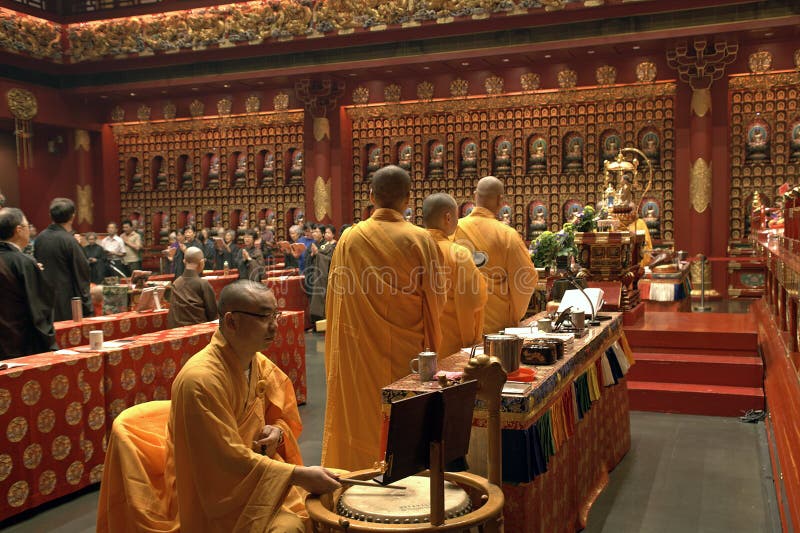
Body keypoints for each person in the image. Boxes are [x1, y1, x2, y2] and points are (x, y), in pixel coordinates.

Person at [97, 281, 340, 532]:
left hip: (259, 478)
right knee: (290, 528)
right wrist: (296, 475)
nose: (274, 325)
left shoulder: (258, 363)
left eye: (275, 315)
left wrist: (277, 432)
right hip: (215, 496)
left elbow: (282, 415)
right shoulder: (200, 380)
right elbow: (223, 461)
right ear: (232, 321)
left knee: (335, 497)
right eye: (263, 317)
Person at [322, 165, 445, 471]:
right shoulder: (421, 239)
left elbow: (336, 298)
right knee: (404, 417)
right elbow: (437, 297)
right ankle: (407, 475)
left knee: (363, 414)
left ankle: (359, 473)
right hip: (408, 354)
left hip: (358, 352)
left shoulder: (350, 239)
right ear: (408, 199)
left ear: (371, 196)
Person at [454, 176, 538, 334]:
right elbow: (526, 278)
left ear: (475, 196)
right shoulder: (507, 235)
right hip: (495, 328)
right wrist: (513, 314)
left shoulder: (453, 229)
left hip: (457, 324)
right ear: (501, 200)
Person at [423, 193, 487, 357]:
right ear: (448, 217)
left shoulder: (412, 250)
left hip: (418, 345)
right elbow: (472, 301)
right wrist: (470, 340)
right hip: (451, 346)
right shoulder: (458, 254)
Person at [0, 207, 56, 358]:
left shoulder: (23, 262)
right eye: (27, 226)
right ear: (18, 230)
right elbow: (39, 306)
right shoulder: (23, 262)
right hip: (18, 339)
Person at [34, 198, 92, 321]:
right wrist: (88, 306)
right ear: (72, 216)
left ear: (50, 215)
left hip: (44, 298)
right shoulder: (69, 241)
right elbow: (82, 273)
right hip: (67, 300)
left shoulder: (39, 238)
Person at [167, 246, 218, 328]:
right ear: (201, 263)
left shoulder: (176, 283)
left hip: (177, 331)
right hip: (198, 332)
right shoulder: (203, 284)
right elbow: (213, 314)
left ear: (184, 261)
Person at [305, 225, 337, 324]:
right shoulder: (315, 245)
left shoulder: (331, 246)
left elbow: (331, 261)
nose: (314, 233)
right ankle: (314, 323)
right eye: (313, 231)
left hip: (324, 277)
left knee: (323, 300)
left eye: (317, 232)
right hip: (314, 275)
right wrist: (313, 255)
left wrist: (318, 254)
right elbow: (310, 260)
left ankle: (324, 323)